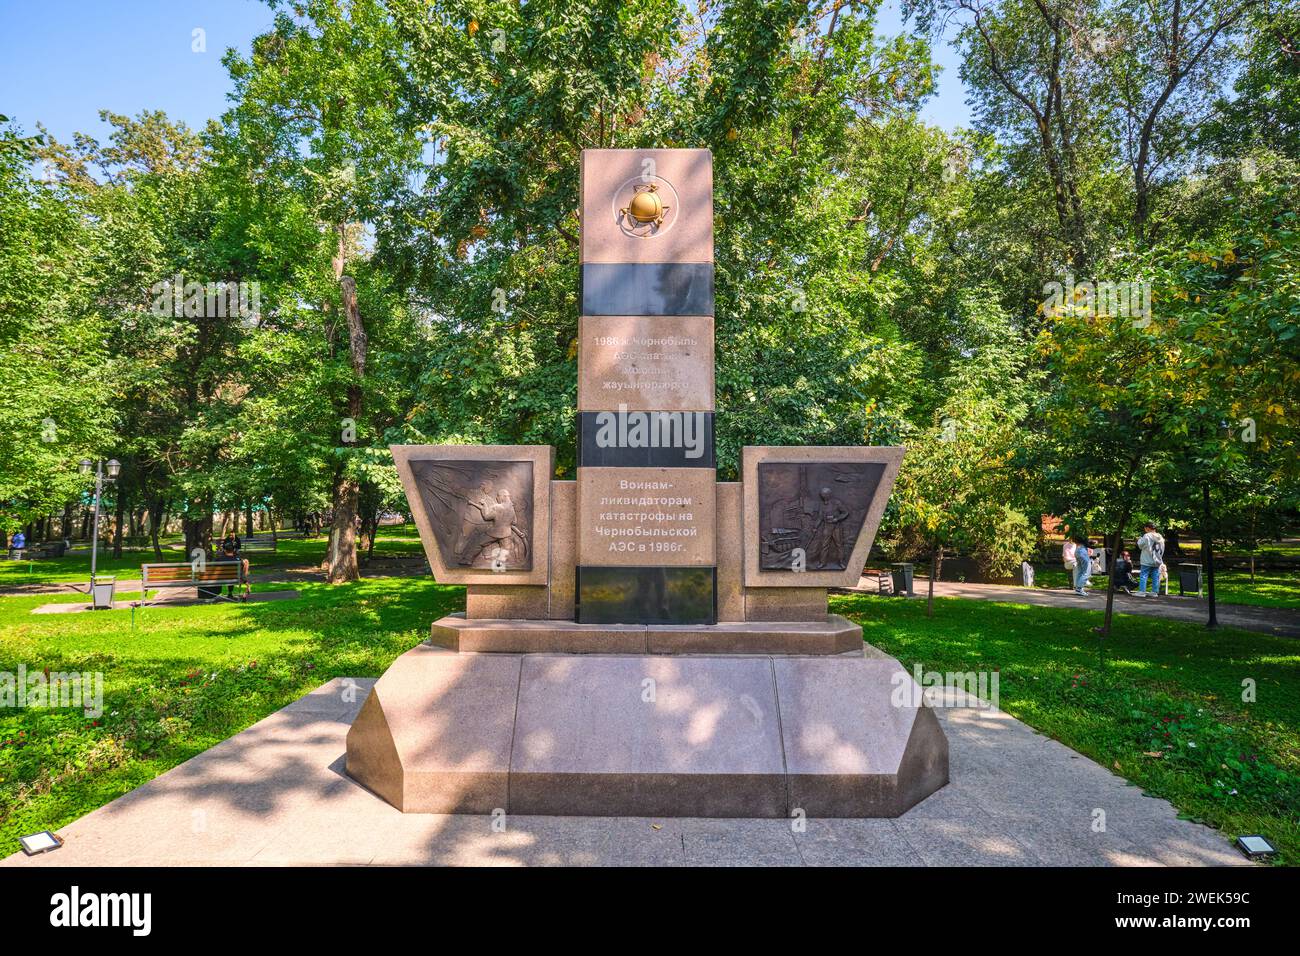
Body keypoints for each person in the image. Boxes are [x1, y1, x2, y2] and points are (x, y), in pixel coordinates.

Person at [1136, 522, 1165, 597]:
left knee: (1143, 575)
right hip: (1157, 560)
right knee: (1155, 576)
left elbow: (1140, 545)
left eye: (1145, 528)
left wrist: (1139, 539)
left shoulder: (1147, 536)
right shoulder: (1160, 536)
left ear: (1148, 528)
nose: (1144, 529)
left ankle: (1142, 592)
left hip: (1147, 559)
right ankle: (1154, 592)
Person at [219, 532, 246, 599]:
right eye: (230, 535)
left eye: (232, 535)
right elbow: (243, 566)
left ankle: (226, 593)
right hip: (234, 577)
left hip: (220, 578)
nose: (231, 536)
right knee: (231, 575)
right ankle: (230, 593)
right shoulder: (238, 560)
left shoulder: (219, 559)